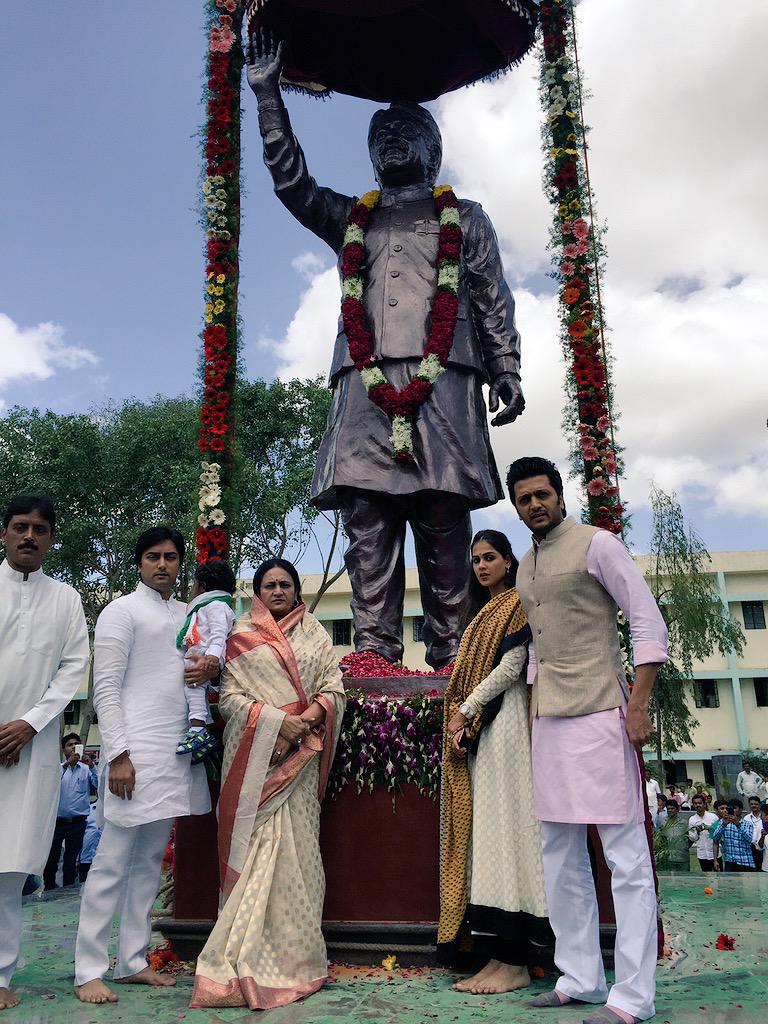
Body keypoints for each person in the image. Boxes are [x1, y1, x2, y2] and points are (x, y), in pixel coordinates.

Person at [245, 30, 525, 670]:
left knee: (443, 517)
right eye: (380, 136)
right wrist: (267, 95)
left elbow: (489, 295)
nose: (392, 141)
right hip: (362, 381)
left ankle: (456, 655)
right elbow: (293, 184)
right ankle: (374, 652)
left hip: (447, 378)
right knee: (368, 519)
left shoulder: (467, 217)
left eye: (407, 133)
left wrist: (505, 367)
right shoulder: (353, 218)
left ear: (434, 151)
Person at [508, 457, 668, 1024]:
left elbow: (649, 624)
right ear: (516, 505)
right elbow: (536, 656)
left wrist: (639, 704)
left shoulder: (598, 544)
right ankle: (579, 977)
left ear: (559, 494)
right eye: (524, 498)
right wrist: (532, 720)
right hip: (550, 720)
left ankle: (633, 998)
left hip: (603, 710)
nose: (535, 504)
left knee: (624, 858)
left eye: (542, 494)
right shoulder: (524, 567)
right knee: (559, 853)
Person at [191, 558, 346, 1010]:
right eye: (269, 585)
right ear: (258, 592)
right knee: (256, 856)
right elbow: (231, 701)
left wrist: (306, 721)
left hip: (299, 767)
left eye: (285, 584)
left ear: (297, 590)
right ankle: (240, 957)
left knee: (299, 857)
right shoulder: (240, 636)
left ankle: (298, 960)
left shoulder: (316, 633)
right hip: (258, 767)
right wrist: (281, 724)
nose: (278, 591)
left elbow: (334, 690)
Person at [74, 526, 212, 1004]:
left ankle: (132, 960)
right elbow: (105, 688)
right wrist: (118, 755)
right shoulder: (121, 610)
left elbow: (194, 674)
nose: (162, 565)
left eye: (171, 557)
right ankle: (88, 968)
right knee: (111, 861)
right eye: (153, 556)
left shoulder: (186, 614)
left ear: (180, 563)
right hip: (131, 757)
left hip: (174, 754)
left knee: (151, 863)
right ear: (139, 563)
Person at [439, 530, 551, 994]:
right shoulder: (480, 613)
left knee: (511, 835)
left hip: (508, 728)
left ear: (509, 561)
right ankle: (498, 957)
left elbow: (510, 669)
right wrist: (467, 718)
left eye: (491, 557)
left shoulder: (517, 604)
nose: (482, 565)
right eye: (476, 559)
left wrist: (465, 710)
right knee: (490, 837)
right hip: (487, 732)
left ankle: (517, 960)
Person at [0, 494, 90, 1013]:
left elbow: (74, 667)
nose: (29, 536)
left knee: (10, 872)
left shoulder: (66, 599)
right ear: (4, 534)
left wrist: (29, 725)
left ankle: (0, 973)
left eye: (39, 529)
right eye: (19, 527)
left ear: (52, 539)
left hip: (31, 750)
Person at [176, 559, 236, 762]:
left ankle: (197, 730)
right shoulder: (210, 605)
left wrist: (211, 657)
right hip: (203, 653)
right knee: (196, 691)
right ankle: (205, 733)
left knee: (192, 686)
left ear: (202, 586)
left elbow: (219, 633)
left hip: (205, 654)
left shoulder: (215, 605)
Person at [43, 732, 98, 890]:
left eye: (76, 744)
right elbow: (50, 785)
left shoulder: (87, 770)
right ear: (64, 750)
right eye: (69, 745)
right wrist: (67, 765)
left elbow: (98, 785)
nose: (73, 747)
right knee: (51, 860)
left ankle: (66, 892)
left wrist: (92, 766)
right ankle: (49, 888)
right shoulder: (58, 769)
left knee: (70, 861)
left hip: (78, 823)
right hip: (57, 822)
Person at [711, 799, 756, 872]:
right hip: (730, 862)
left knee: (748, 883)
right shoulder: (723, 822)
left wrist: (738, 824)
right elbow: (715, 838)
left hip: (745, 861)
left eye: (734, 808)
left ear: (741, 810)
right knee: (730, 883)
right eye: (730, 808)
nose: (731, 810)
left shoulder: (747, 824)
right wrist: (724, 825)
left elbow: (749, 840)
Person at [656, 801, 690, 872]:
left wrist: (685, 847)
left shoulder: (684, 823)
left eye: (672, 808)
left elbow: (690, 838)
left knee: (684, 880)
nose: (670, 810)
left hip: (682, 857)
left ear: (677, 810)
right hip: (668, 858)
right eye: (668, 809)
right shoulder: (662, 822)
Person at [687, 795, 718, 871]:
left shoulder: (713, 817)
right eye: (695, 803)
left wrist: (709, 828)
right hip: (702, 854)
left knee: (719, 877)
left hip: (715, 854)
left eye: (700, 803)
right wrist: (697, 831)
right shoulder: (692, 819)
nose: (698, 805)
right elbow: (692, 838)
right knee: (706, 878)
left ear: (704, 803)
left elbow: (718, 834)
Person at [78, 798, 103, 884]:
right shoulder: (87, 810)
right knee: (83, 882)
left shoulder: (109, 811)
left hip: (101, 859)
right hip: (85, 857)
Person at [744, 795, 764, 870]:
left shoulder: (764, 817)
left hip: (763, 847)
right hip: (751, 847)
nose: (753, 806)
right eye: (751, 804)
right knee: (754, 869)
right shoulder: (746, 818)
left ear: (759, 805)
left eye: (756, 804)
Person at [710, 799, 728, 869]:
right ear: (716, 810)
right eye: (722, 808)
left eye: (726, 808)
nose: (725, 810)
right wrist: (715, 860)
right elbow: (715, 843)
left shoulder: (733, 821)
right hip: (723, 855)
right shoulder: (714, 825)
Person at [755, 802, 768, 874]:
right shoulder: (760, 828)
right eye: (762, 815)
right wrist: (763, 836)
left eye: (762, 815)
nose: (761, 817)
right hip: (766, 867)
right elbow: (759, 848)